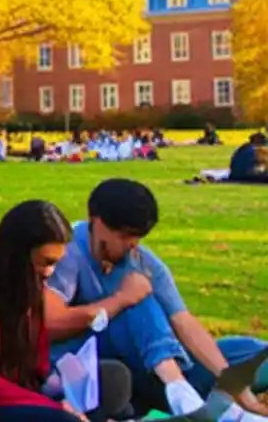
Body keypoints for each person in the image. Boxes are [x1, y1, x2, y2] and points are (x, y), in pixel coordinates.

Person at [45, 179, 268, 420]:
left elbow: (183, 321)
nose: (132, 245)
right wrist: (121, 300)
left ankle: (209, 399)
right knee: (139, 300)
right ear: (96, 221)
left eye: (138, 237)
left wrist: (236, 384)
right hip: (88, 368)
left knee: (252, 354)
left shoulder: (143, 262)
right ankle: (184, 396)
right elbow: (50, 323)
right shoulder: (68, 251)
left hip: (150, 364)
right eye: (124, 235)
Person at [0, 200, 131, 422]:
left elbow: (36, 365)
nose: (49, 272)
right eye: (45, 262)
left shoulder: (30, 286)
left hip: (18, 393)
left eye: (55, 264)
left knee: (111, 381)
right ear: (19, 254)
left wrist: (60, 384)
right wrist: (50, 406)